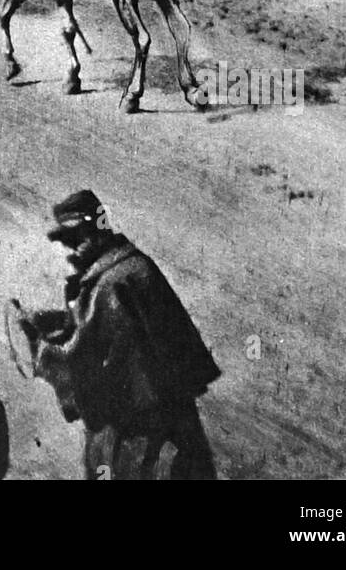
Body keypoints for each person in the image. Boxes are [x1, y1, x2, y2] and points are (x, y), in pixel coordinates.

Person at [18, 189, 220, 481]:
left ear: (97, 230)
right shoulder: (136, 267)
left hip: (141, 444)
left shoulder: (108, 285)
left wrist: (39, 348)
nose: (72, 250)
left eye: (77, 238)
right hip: (177, 431)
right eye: (66, 242)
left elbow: (81, 365)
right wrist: (65, 321)